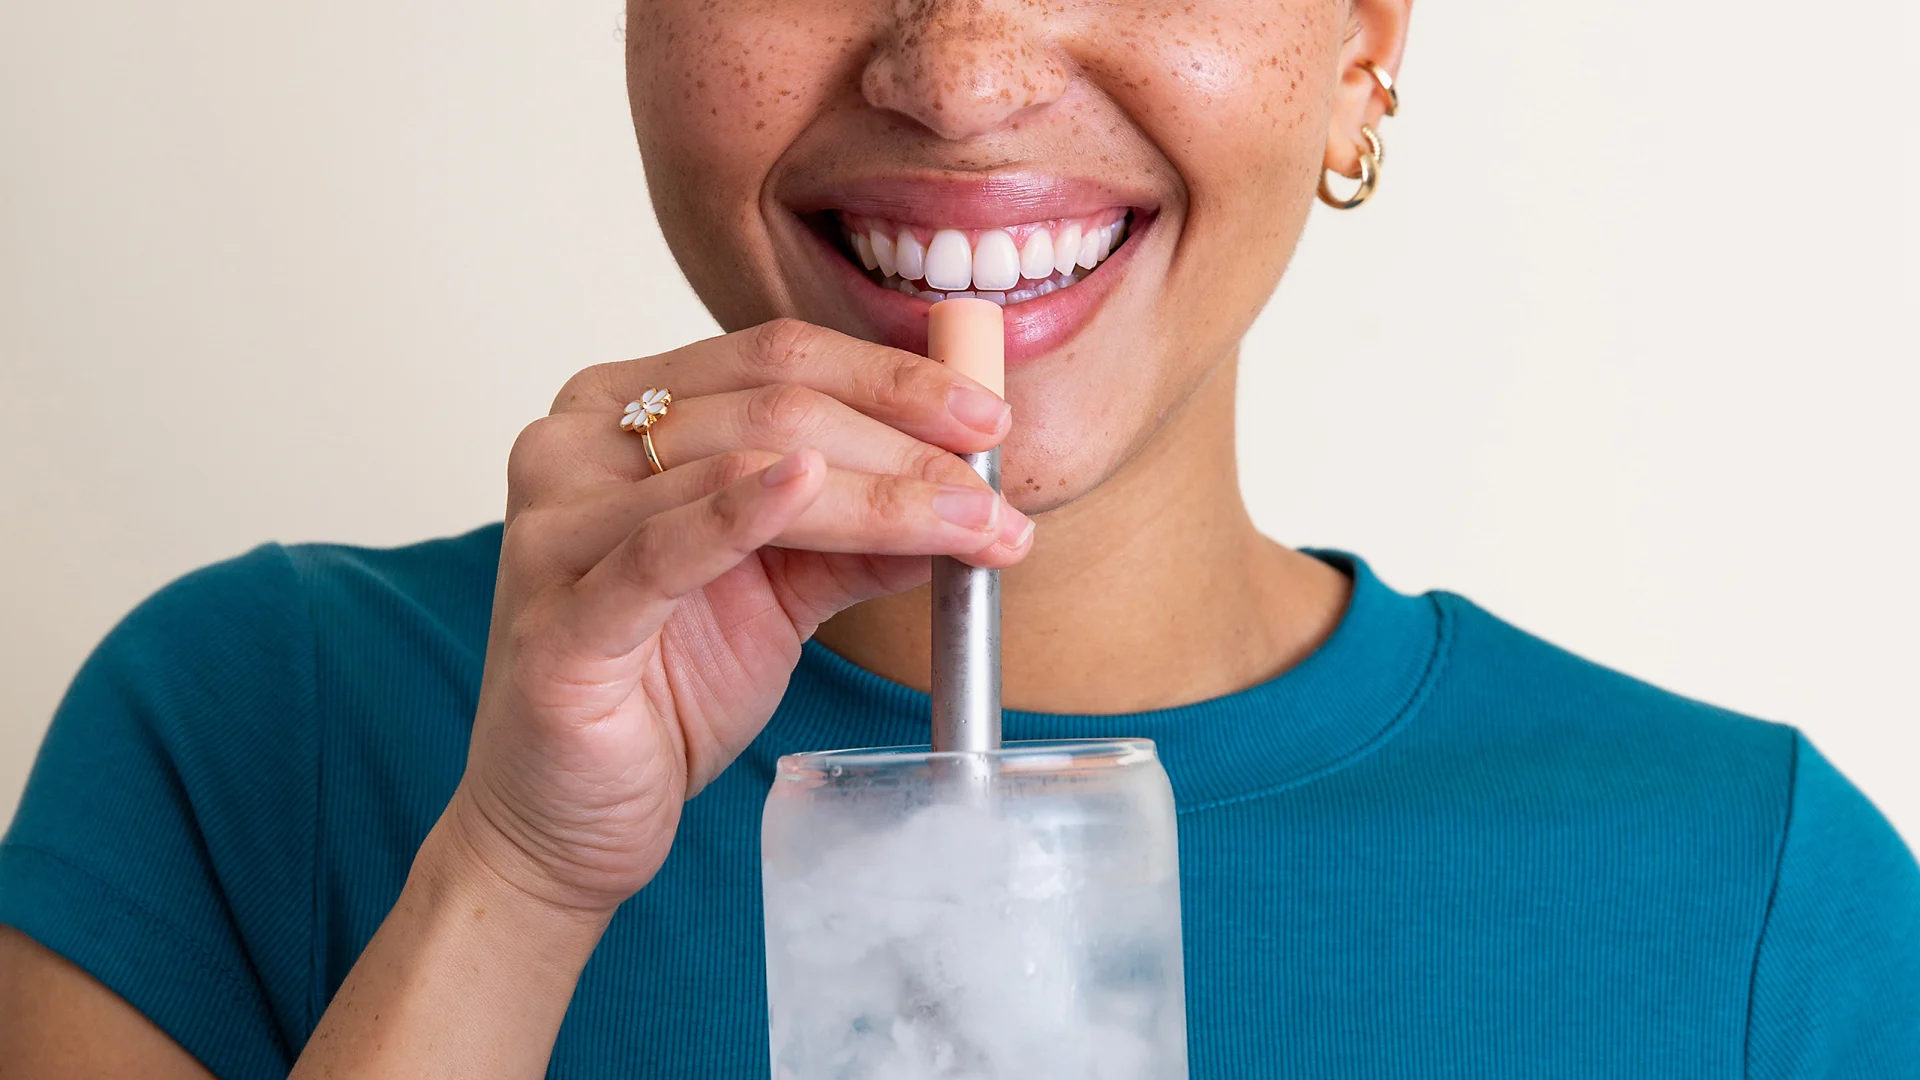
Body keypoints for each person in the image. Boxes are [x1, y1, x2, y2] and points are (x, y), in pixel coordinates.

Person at [3, 0, 1916, 1075]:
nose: (963, 67)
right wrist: (508, 884)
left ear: (1362, 42)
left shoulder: (1762, 906)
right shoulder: (250, 741)